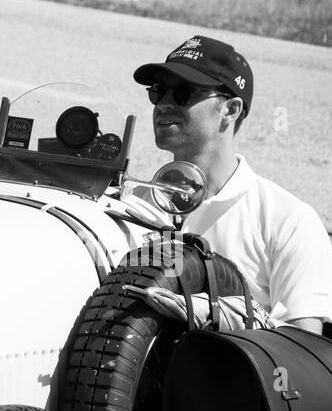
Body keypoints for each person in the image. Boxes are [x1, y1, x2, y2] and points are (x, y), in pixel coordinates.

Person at [132, 35, 332, 333]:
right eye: (158, 93)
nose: (164, 105)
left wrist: (221, 315)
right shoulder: (133, 201)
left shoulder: (288, 220)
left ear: (231, 110)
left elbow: (304, 348)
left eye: (183, 94)